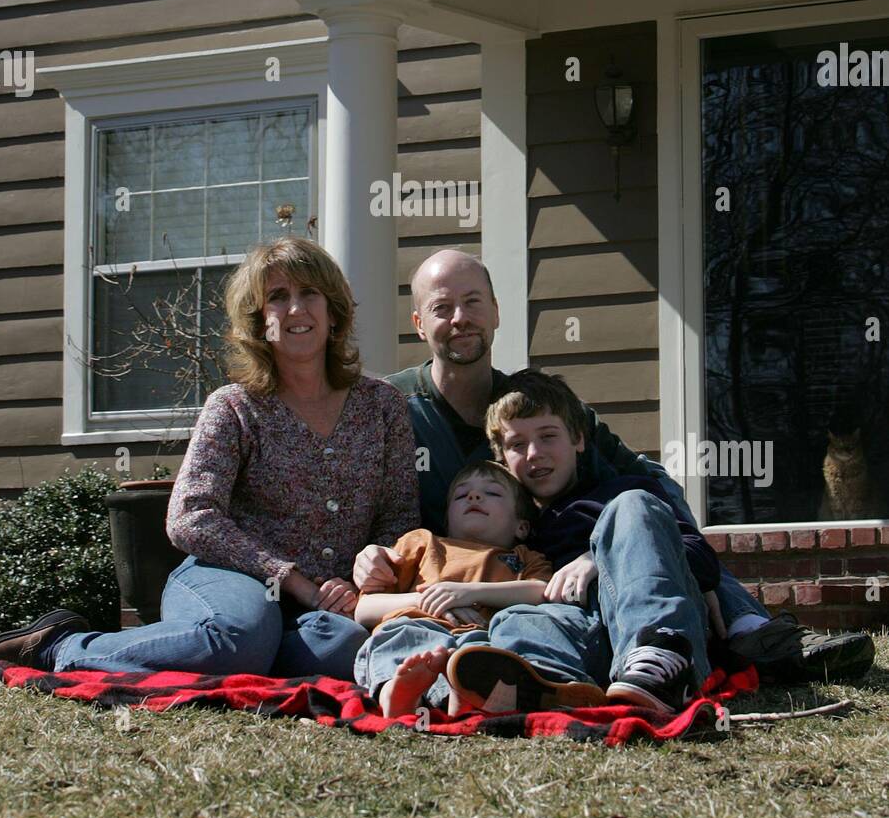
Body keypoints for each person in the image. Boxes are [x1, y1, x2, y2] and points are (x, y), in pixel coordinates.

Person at [356, 248, 874, 684]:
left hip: (562, 577)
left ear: (495, 310)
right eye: (442, 307)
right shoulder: (388, 406)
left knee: (639, 522)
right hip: (455, 594)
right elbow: (361, 502)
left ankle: (752, 634)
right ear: (419, 323)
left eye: (472, 302)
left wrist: (700, 571)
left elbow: (652, 488)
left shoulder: (540, 407)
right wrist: (367, 557)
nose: (460, 318)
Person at [0, 238, 419, 683]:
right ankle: (60, 645)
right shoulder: (235, 407)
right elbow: (190, 517)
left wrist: (363, 574)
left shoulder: (382, 405)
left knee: (343, 651)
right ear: (259, 320)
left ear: (333, 311)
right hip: (228, 578)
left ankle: (238, 655)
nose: (295, 309)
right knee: (238, 637)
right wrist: (293, 579)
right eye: (277, 297)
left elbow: (399, 515)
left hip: (330, 598)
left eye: (309, 294)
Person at [485, 370, 720, 712]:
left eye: (548, 436)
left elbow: (701, 561)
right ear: (501, 457)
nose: (534, 453)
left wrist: (596, 557)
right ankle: (557, 688)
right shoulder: (519, 526)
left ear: (579, 439)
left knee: (631, 506)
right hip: (589, 635)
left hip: (659, 630)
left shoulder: (622, 490)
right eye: (517, 445)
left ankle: (661, 665)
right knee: (514, 619)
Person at [352, 460, 608, 716]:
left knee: (486, 656)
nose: (473, 496)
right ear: (447, 519)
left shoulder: (524, 557)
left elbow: (541, 592)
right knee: (400, 637)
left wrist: (470, 592)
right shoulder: (422, 542)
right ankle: (395, 693)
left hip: (482, 639)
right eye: (462, 494)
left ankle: (462, 694)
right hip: (418, 625)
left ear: (521, 526)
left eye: (492, 493)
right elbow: (364, 609)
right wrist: (430, 600)